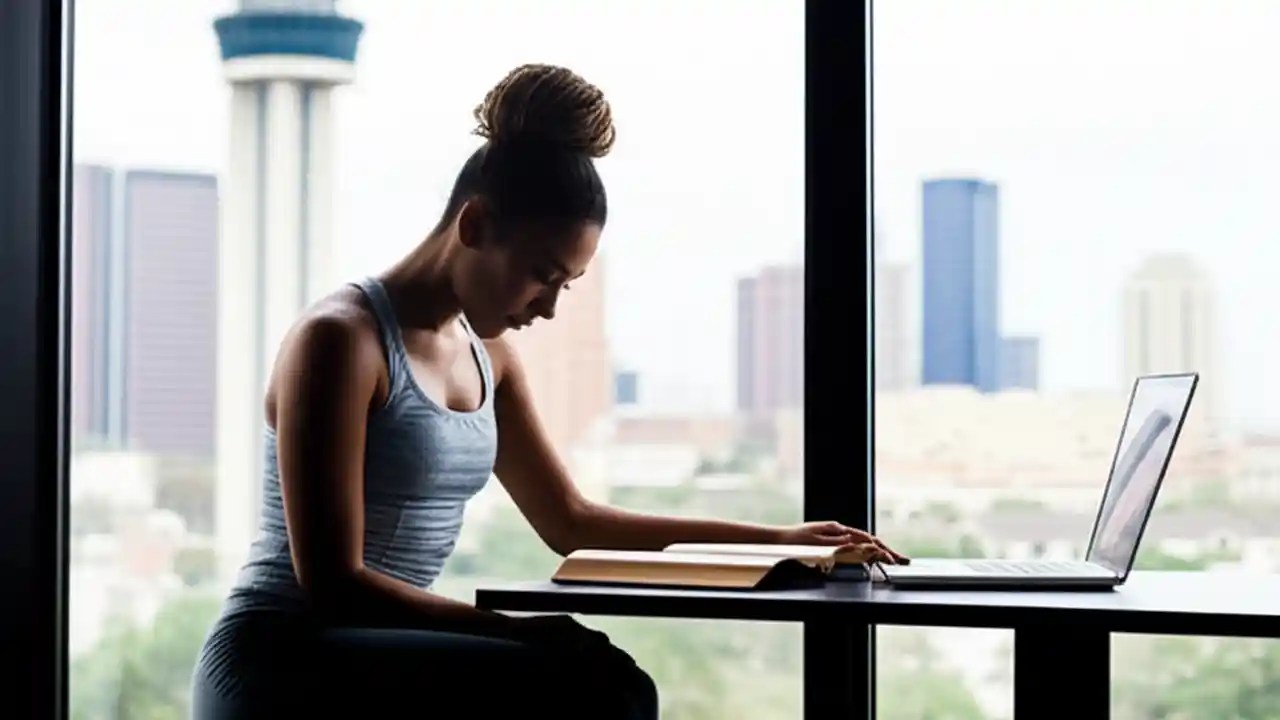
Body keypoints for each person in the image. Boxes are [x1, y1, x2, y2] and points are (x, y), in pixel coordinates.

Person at [190, 62, 906, 719]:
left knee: (610, 684)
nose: (549, 306)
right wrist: (519, 630)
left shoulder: (489, 355)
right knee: (601, 687)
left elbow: (571, 520)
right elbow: (333, 583)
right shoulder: (340, 341)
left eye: (568, 284)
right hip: (282, 654)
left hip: (377, 652)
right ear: (474, 225)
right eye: (542, 273)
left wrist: (781, 541)